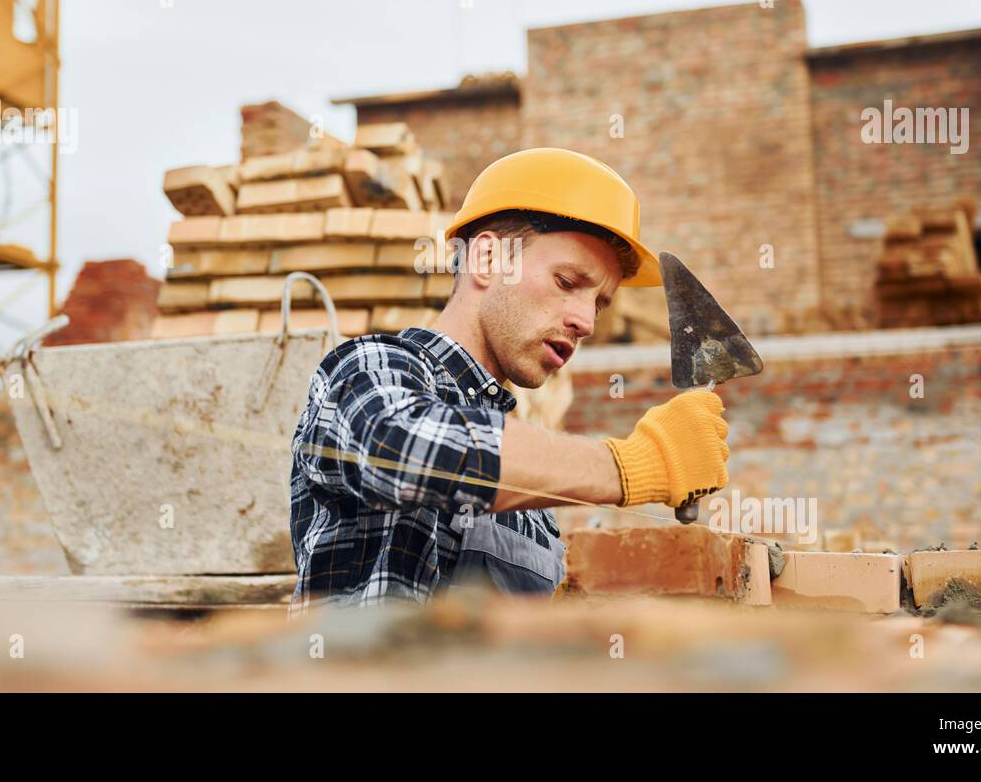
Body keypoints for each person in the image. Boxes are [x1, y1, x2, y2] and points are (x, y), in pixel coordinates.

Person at [288, 147, 730, 611]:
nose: (587, 322)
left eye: (599, 302)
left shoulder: (532, 501)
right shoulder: (369, 368)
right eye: (567, 282)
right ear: (486, 258)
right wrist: (636, 465)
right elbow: (402, 448)